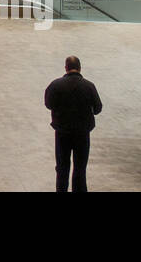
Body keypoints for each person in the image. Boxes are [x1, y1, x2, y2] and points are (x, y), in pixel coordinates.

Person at [44, 56, 104, 192]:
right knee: (80, 169)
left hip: (62, 133)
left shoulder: (56, 85)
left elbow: (48, 104)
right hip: (82, 134)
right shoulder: (89, 86)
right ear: (80, 68)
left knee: (62, 168)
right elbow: (98, 108)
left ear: (66, 67)